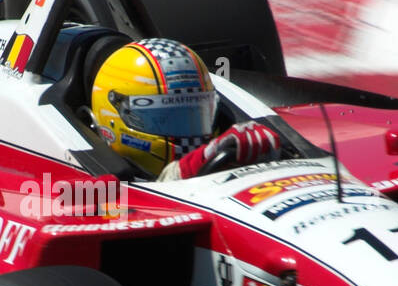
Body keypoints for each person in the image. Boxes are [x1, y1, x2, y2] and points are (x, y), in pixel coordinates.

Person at [89, 37, 281, 180]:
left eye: (195, 114)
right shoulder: (90, 193)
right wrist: (192, 166)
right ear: (113, 117)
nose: (188, 133)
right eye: (164, 118)